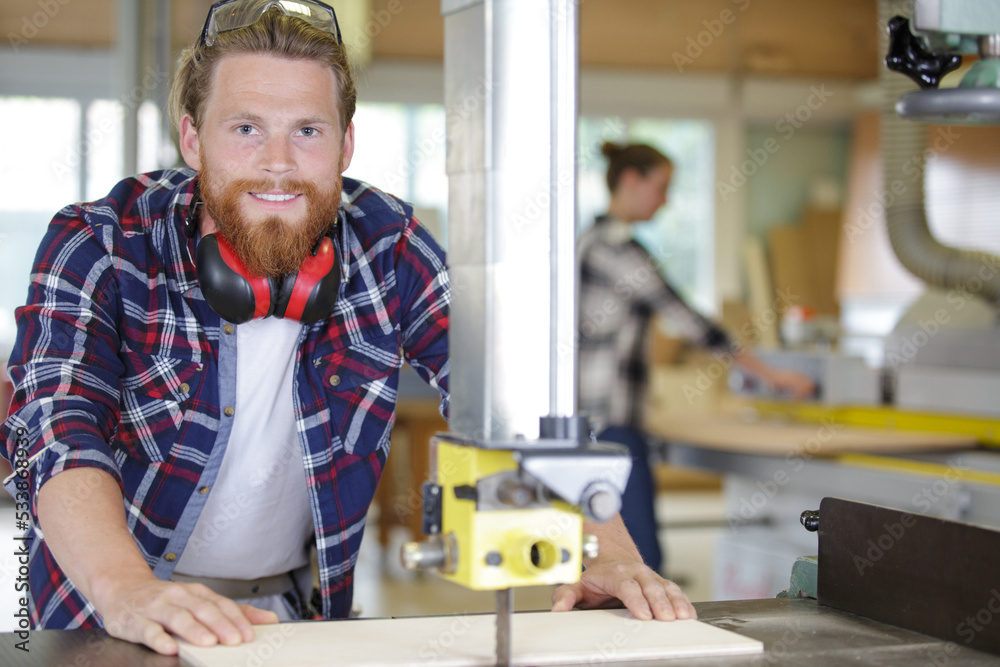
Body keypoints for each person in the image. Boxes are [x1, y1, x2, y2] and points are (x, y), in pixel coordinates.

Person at [0, 3, 695, 657]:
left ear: (346, 144)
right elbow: (55, 429)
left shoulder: (387, 242)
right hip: (107, 614)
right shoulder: (99, 241)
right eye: (245, 128)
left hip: (294, 620)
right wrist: (127, 589)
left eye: (308, 130)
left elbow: (506, 392)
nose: (278, 161)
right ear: (192, 139)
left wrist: (606, 550)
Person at [578, 141, 815, 573]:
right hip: (609, 422)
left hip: (598, 419)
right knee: (638, 558)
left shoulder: (590, 241)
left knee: (612, 556)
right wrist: (772, 375)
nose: (665, 200)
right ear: (630, 180)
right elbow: (687, 319)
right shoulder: (614, 249)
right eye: (661, 187)